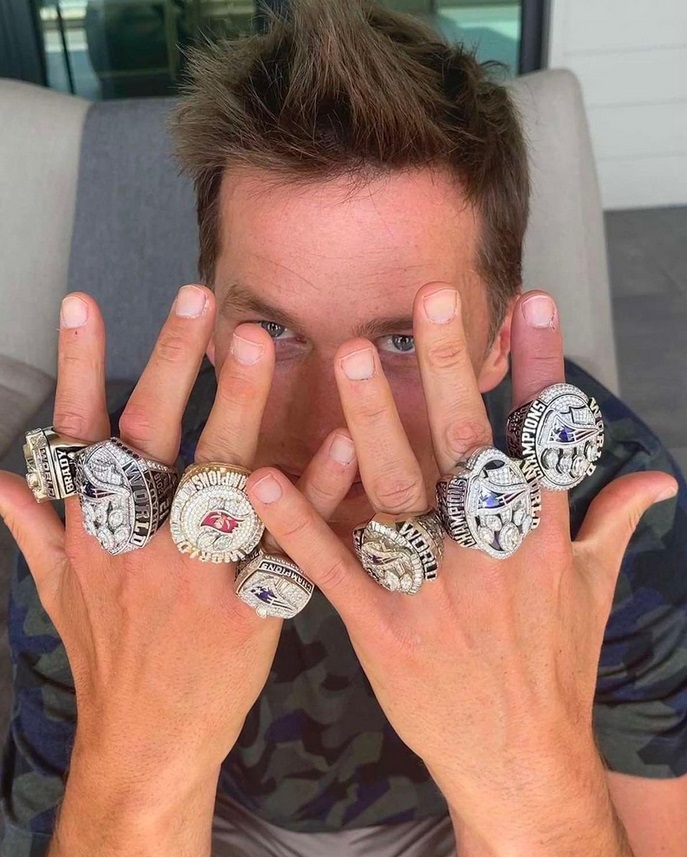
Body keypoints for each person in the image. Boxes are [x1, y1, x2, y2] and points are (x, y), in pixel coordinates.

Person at [1, 2, 686, 855]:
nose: (335, 423)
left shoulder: (596, 503)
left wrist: (527, 782)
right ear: (212, 329)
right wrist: (142, 769)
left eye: (403, 341)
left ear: (496, 342)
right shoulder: (113, 509)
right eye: (275, 333)